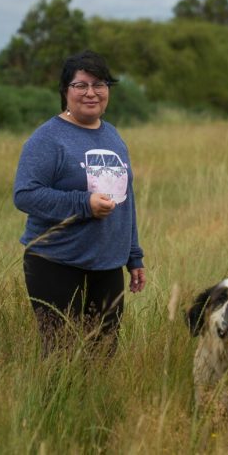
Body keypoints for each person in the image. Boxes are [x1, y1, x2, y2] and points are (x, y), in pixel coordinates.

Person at [13, 49, 146, 357]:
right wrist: (84, 204)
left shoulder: (112, 136)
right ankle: (53, 407)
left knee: (103, 354)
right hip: (56, 262)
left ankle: (93, 407)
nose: (91, 93)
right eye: (81, 85)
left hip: (108, 265)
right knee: (60, 357)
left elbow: (126, 199)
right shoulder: (48, 138)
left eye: (99, 84)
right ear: (65, 91)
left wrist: (133, 256)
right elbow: (25, 194)